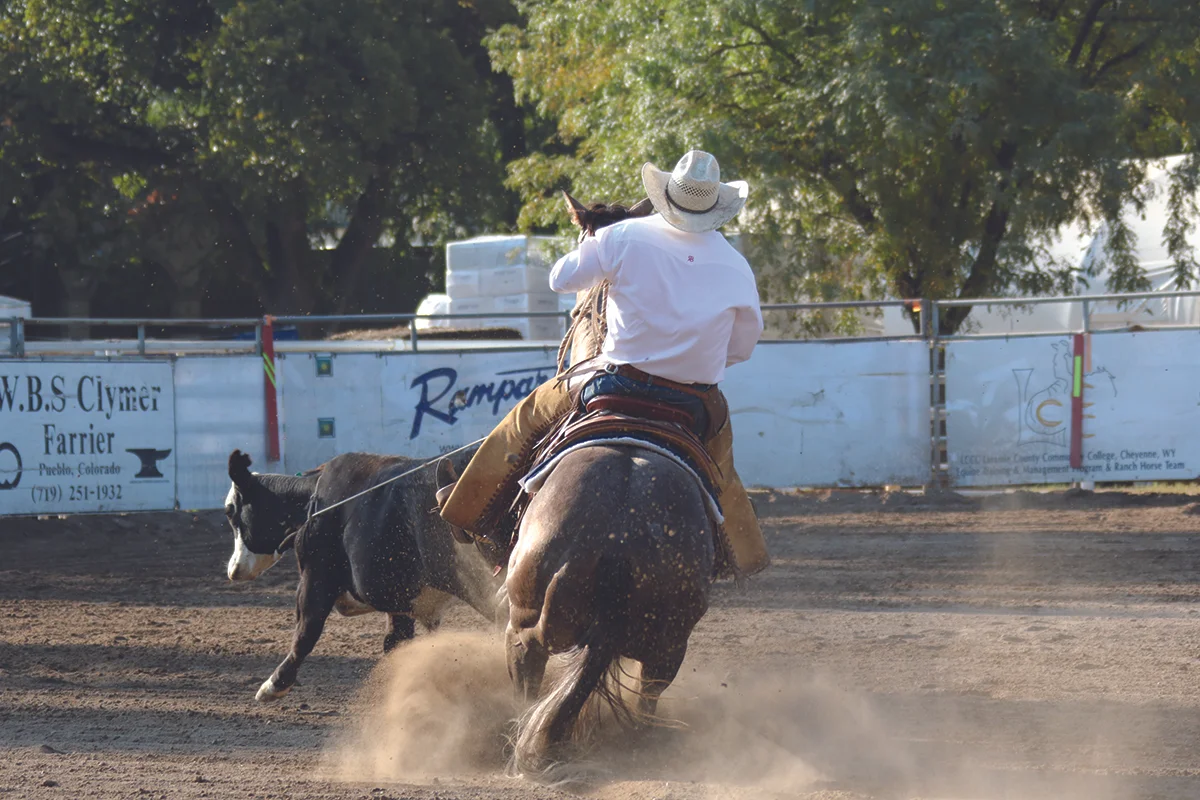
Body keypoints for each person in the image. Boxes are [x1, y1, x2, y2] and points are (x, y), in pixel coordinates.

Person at [437, 150, 769, 575]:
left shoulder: (624, 236)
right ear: (715, 204)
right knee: (721, 463)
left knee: (527, 416)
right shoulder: (736, 265)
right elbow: (742, 347)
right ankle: (742, 552)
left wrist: (594, 244)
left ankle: (469, 509)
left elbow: (561, 280)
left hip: (616, 384)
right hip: (694, 401)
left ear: (666, 195)